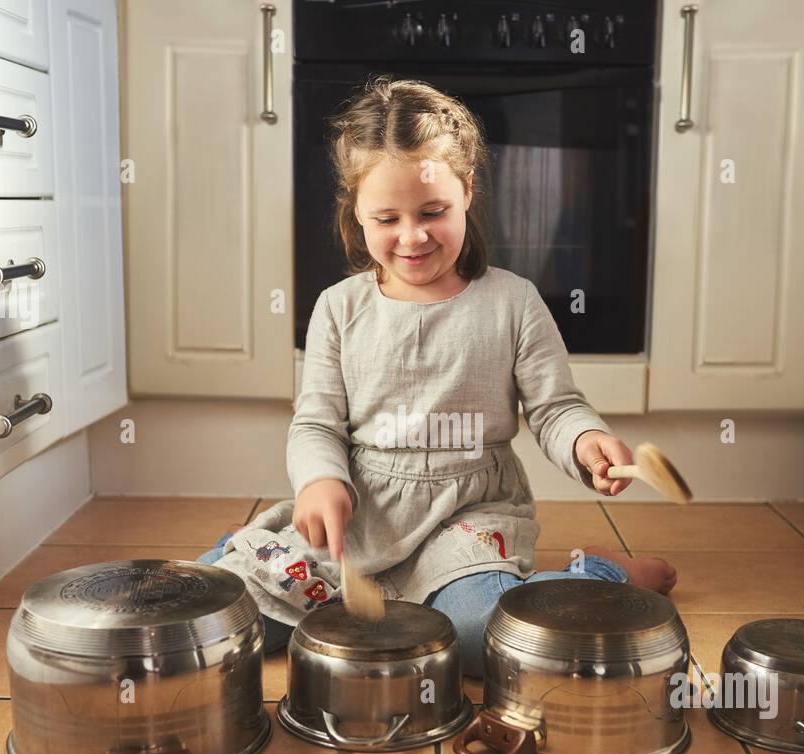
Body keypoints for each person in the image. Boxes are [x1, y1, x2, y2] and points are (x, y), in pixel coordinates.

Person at [198, 76, 677, 678]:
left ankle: (597, 574)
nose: (413, 235)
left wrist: (585, 442)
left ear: (467, 193)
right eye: (387, 218)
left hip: (469, 513)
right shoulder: (338, 308)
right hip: (365, 511)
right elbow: (317, 422)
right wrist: (321, 482)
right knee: (224, 610)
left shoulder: (513, 302)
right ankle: (246, 546)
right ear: (356, 212)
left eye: (433, 212)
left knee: (483, 641)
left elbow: (555, 409)